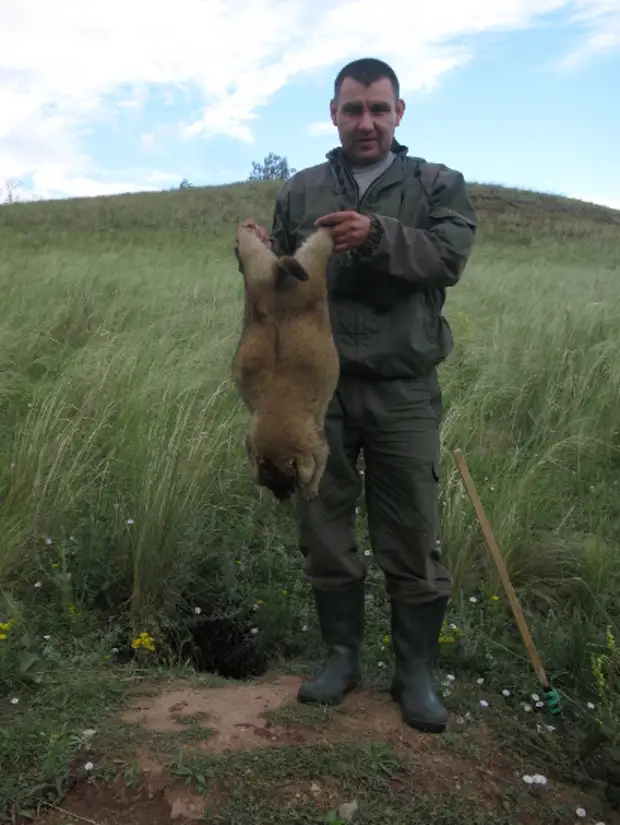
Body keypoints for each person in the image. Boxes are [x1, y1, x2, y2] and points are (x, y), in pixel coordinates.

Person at [237, 57, 478, 734]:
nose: (365, 122)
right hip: (317, 398)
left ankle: (415, 672)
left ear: (399, 113)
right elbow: (281, 290)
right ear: (334, 114)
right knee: (324, 527)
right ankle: (342, 658)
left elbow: (447, 260)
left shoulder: (436, 184)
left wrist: (376, 237)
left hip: (403, 389)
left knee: (412, 531)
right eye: (352, 109)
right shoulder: (303, 188)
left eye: (378, 108)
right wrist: (256, 253)